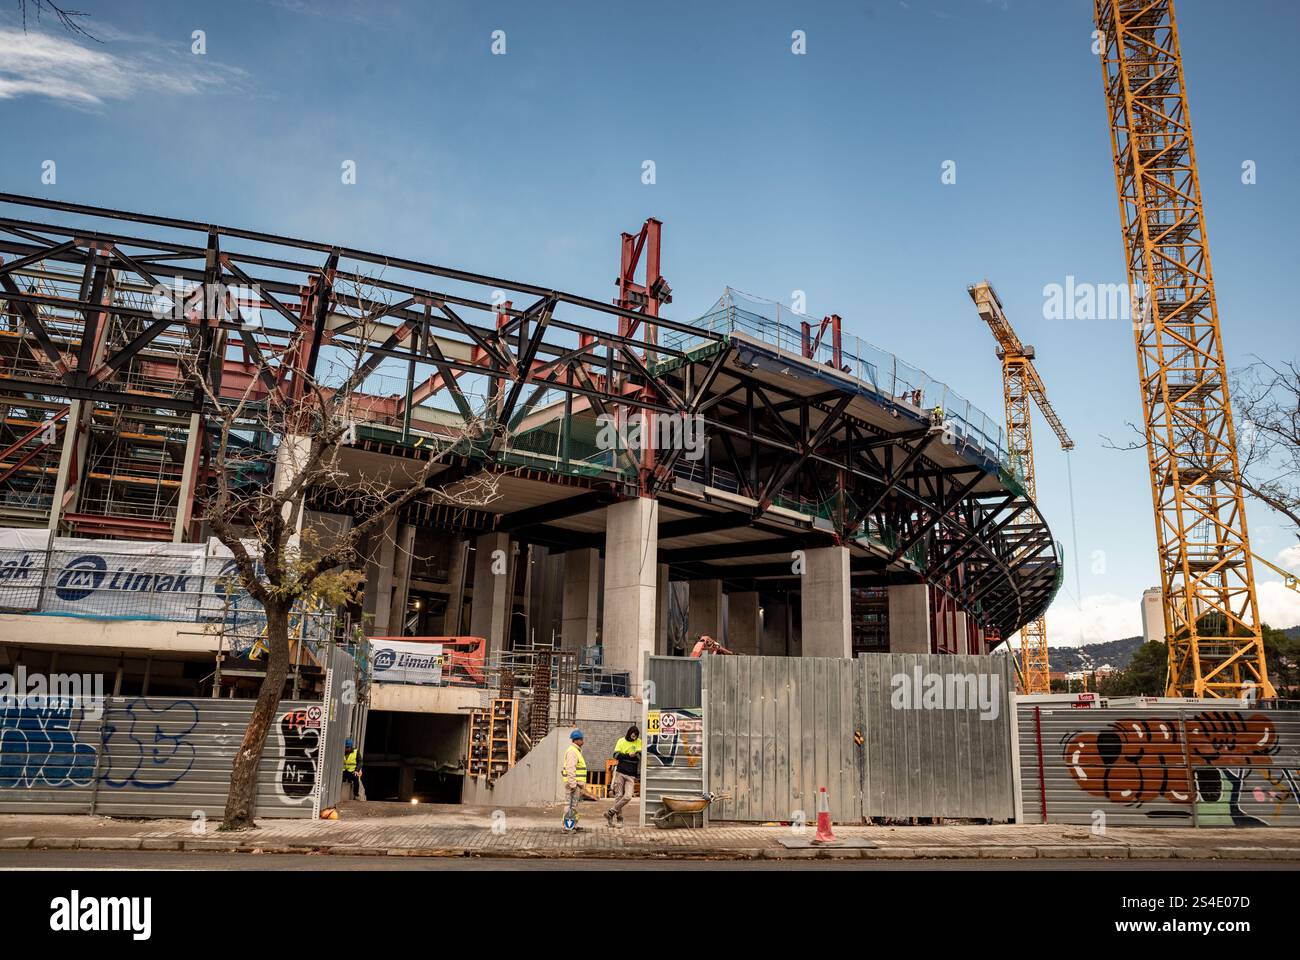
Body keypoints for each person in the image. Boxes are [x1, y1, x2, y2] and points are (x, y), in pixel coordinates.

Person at [605, 724, 643, 827]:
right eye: (632, 735)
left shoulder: (639, 742)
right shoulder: (621, 741)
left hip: (631, 774)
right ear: (629, 734)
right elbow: (616, 755)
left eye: (635, 736)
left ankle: (610, 812)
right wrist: (628, 755)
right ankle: (619, 819)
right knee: (618, 796)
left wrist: (636, 754)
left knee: (628, 796)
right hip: (620, 772)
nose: (633, 737)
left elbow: (641, 756)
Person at [560, 729, 590, 832]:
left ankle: (573, 825)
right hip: (573, 784)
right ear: (576, 740)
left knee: (573, 806)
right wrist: (573, 784)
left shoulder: (575, 751)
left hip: (576, 784)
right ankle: (566, 827)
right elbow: (571, 769)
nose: (583, 741)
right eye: (581, 739)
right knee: (569, 805)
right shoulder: (572, 752)